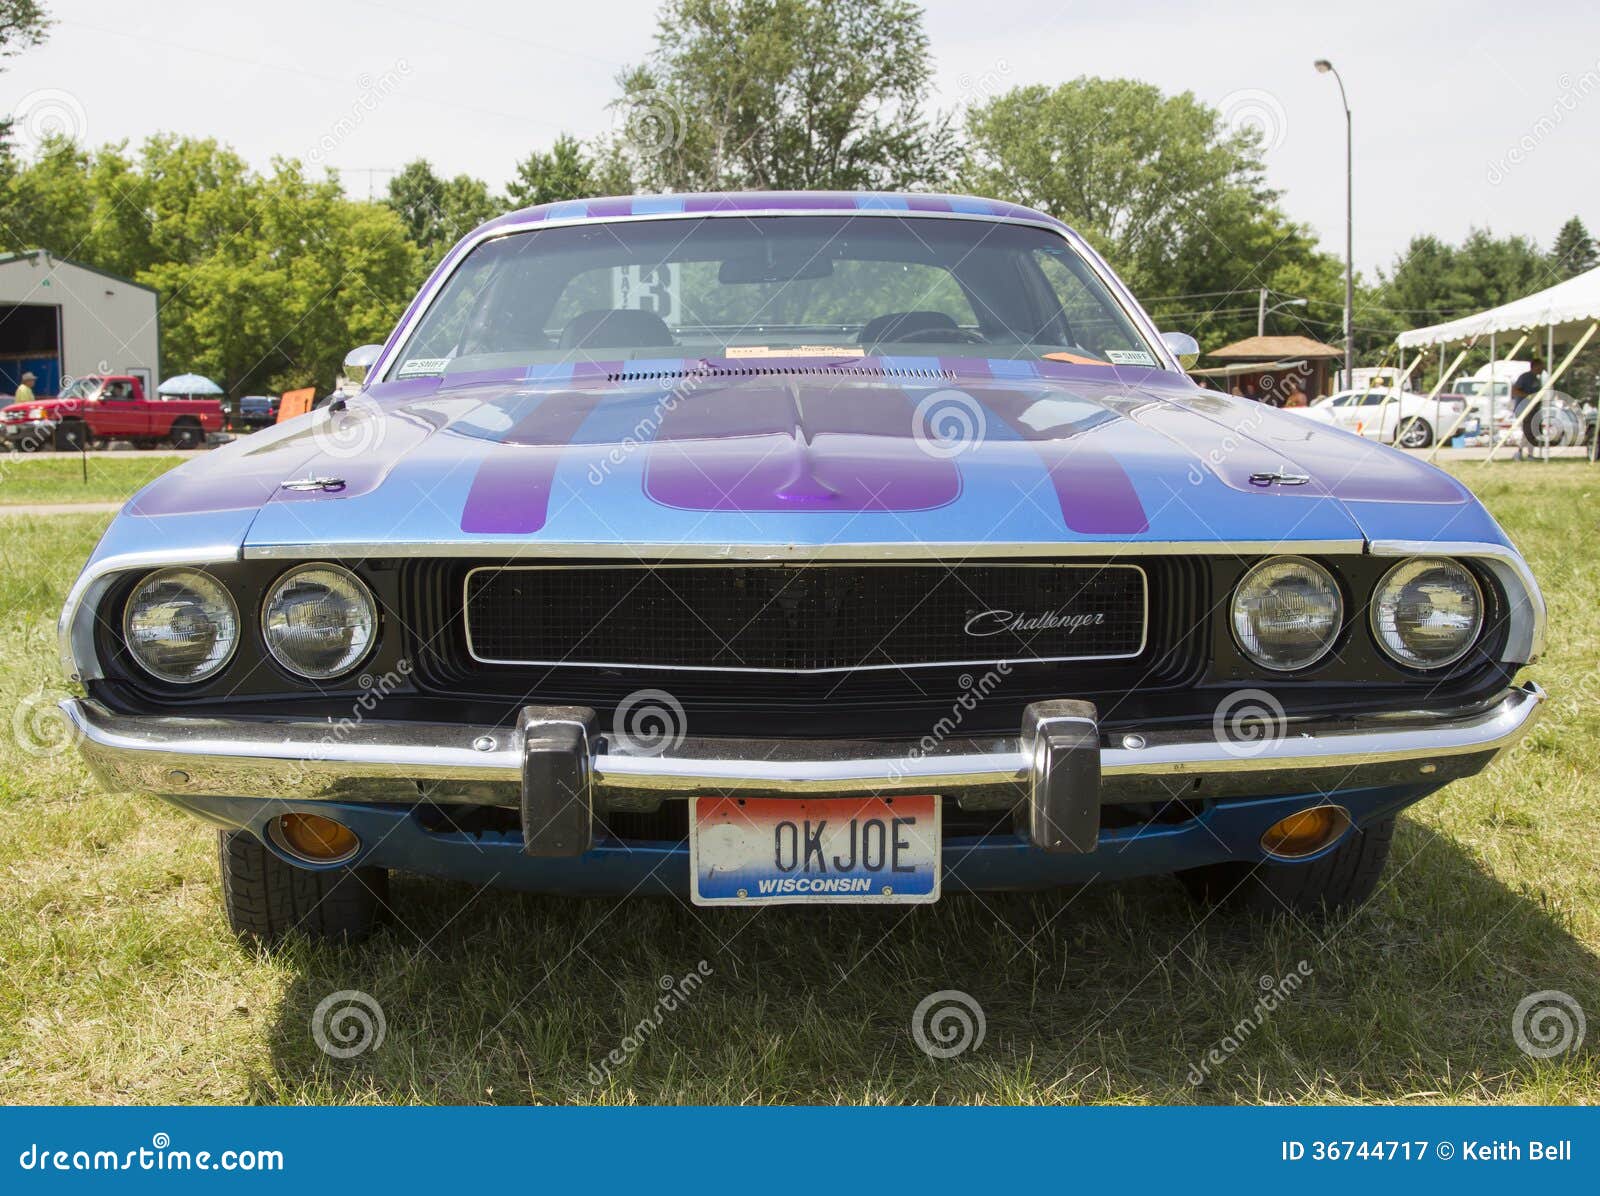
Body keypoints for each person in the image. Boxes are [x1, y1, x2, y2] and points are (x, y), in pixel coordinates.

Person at [1512, 357, 1545, 460]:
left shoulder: (1537, 379)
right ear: (1535, 366)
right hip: (1524, 408)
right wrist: (1529, 397)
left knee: (1532, 432)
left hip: (1534, 409)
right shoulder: (1525, 377)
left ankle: (1528, 454)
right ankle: (1520, 453)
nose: (1542, 368)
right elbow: (1515, 391)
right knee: (1528, 431)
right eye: (1540, 366)